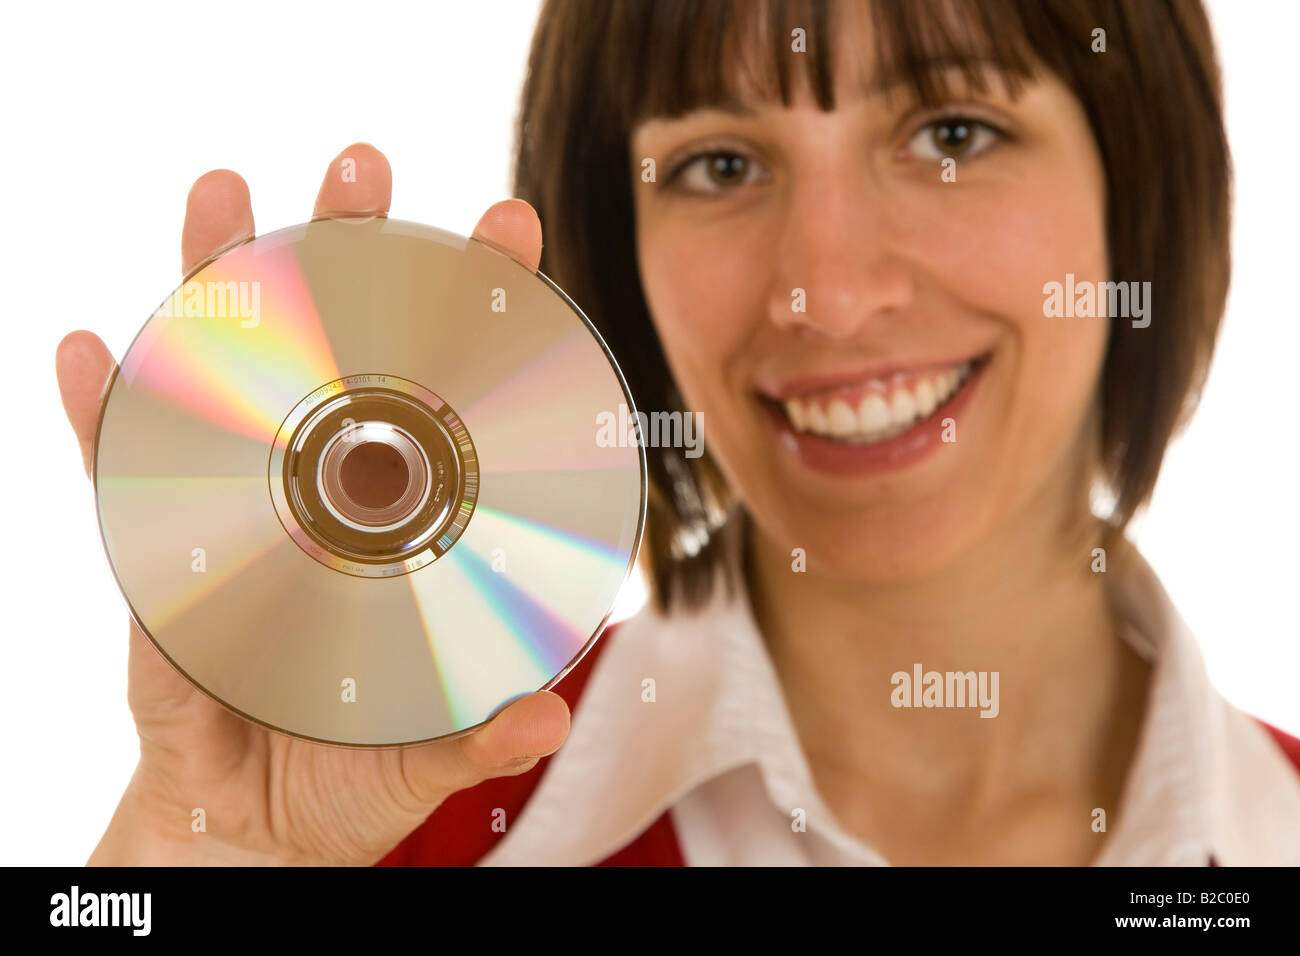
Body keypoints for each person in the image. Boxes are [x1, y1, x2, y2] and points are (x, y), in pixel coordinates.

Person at [58, 0, 1300, 866]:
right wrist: (203, 855)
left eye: (951, 134)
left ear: (1136, 184)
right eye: (717, 163)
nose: (827, 286)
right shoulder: (404, 824)